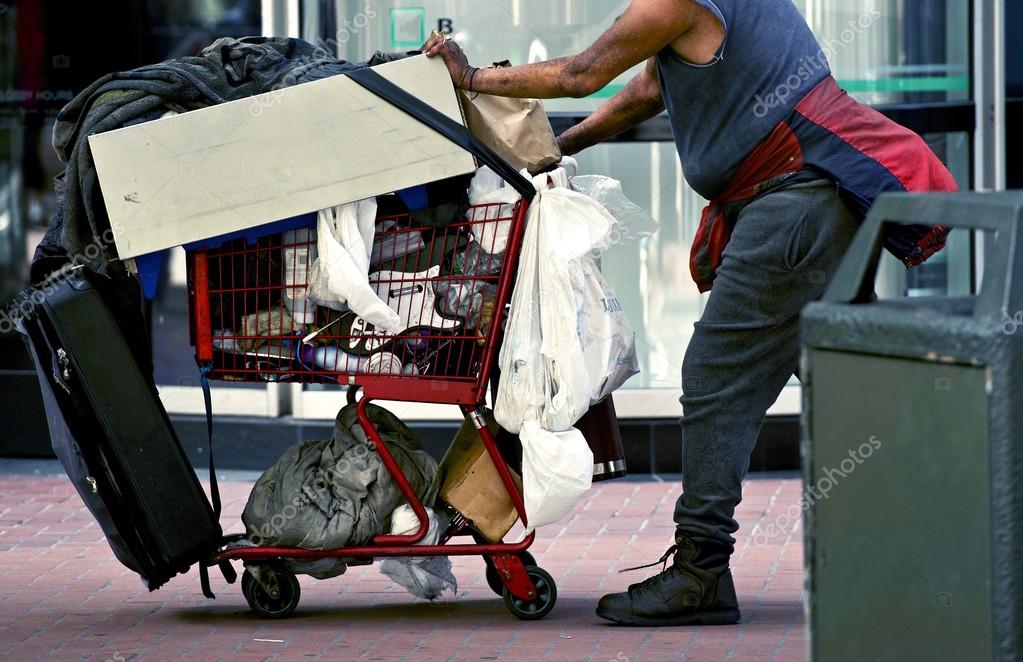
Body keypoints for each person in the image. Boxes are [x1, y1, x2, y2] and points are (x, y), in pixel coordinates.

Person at [425, 0, 957, 626]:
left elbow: (583, 73)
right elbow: (650, 86)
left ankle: (702, 571)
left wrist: (471, 78)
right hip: (810, 197)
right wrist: (558, 148)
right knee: (845, 380)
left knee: (714, 378)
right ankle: (939, 539)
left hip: (793, 203)